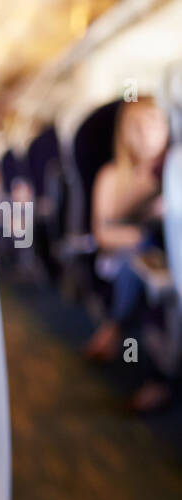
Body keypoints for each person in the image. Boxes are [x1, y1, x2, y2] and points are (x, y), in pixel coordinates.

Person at [80, 97, 170, 411]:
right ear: (126, 132)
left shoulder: (173, 169)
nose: (149, 132)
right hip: (122, 259)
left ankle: (112, 331)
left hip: (164, 259)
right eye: (140, 125)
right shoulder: (111, 175)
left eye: (156, 122)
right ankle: (156, 377)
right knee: (139, 255)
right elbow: (104, 231)